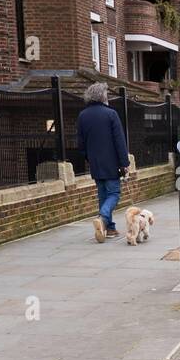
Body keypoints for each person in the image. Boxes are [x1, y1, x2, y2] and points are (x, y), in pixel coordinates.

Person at [76, 82, 134, 243]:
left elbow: (80, 143)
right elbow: (119, 141)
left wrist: (88, 157)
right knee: (114, 194)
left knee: (103, 195)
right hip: (111, 162)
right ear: (102, 96)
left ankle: (109, 228)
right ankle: (102, 218)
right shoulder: (110, 114)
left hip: (94, 162)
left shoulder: (83, 115)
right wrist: (124, 162)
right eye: (106, 94)